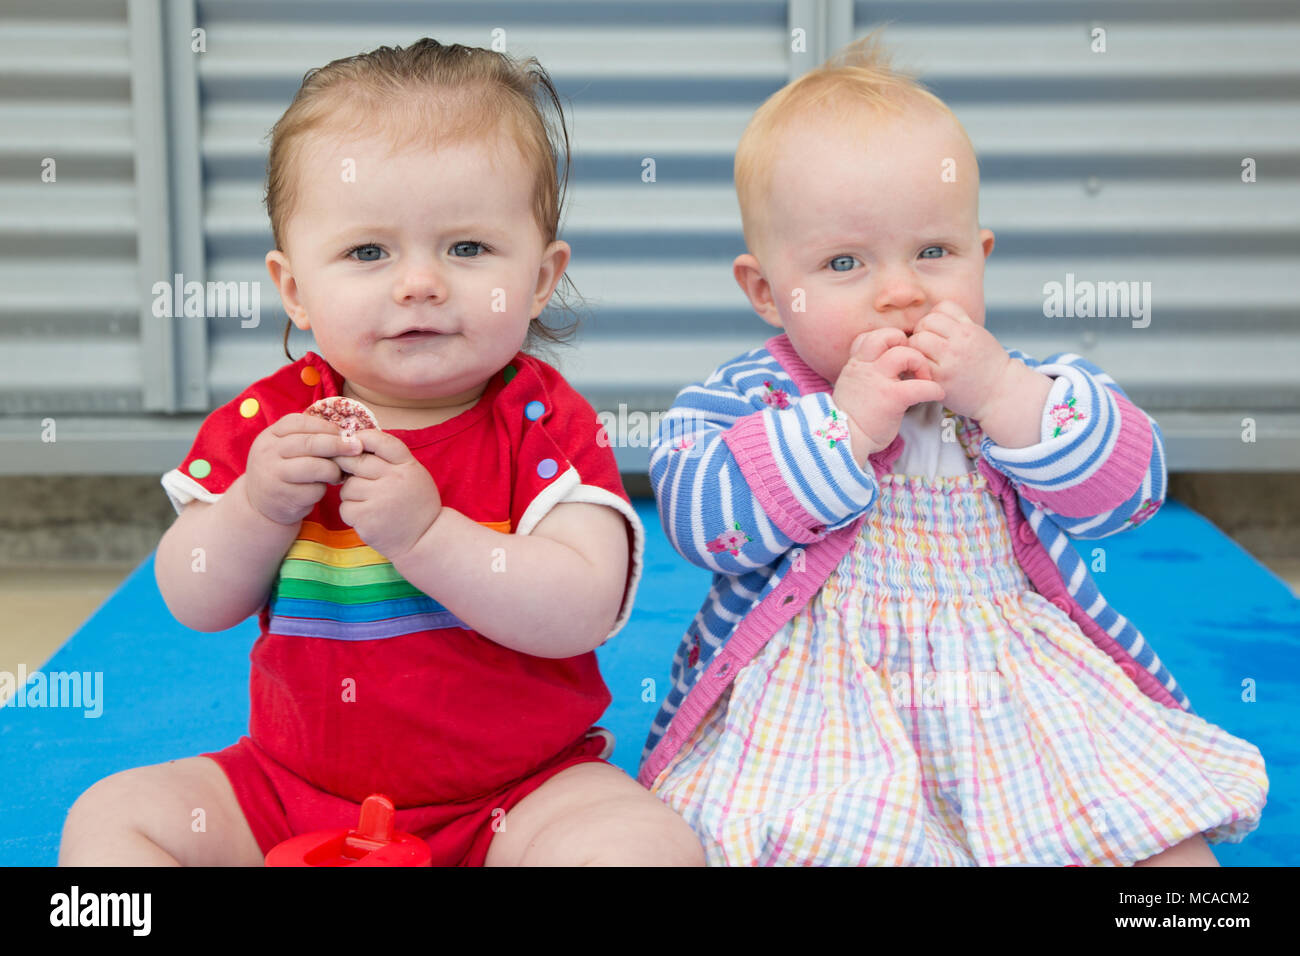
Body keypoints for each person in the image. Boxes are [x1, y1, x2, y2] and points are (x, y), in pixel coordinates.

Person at [59, 38, 704, 867]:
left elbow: (582, 607)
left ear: (541, 277)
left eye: (467, 248)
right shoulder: (270, 425)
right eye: (369, 252)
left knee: (644, 846)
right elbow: (194, 599)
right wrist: (254, 512)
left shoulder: (543, 424)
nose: (419, 283)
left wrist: (427, 536)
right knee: (112, 818)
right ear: (294, 287)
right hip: (290, 789)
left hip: (517, 795)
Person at [636, 33, 1268, 866]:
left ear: (982, 256)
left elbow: (1131, 490)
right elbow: (700, 519)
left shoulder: (1013, 385)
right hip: (826, 709)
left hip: (1015, 696)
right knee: (824, 839)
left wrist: (1006, 394)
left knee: (1147, 836)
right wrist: (846, 429)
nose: (900, 289)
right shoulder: (753, 398)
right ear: (765, 291)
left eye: (934, 252)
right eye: (844, 263)